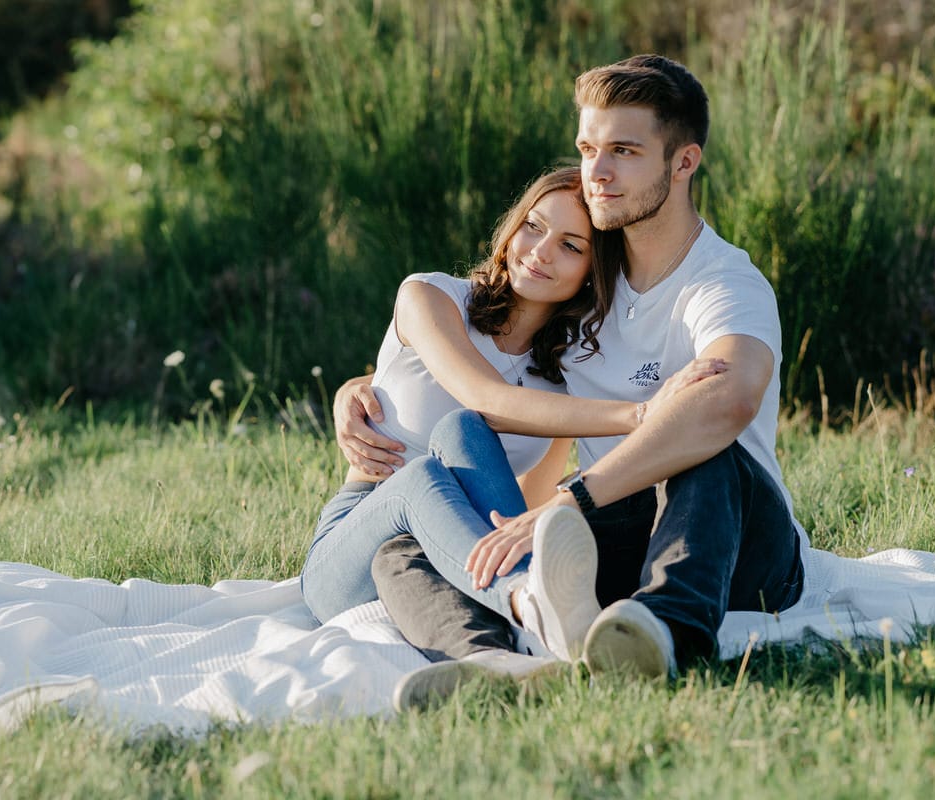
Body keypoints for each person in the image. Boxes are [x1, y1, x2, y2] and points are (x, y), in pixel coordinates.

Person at [335, 54, 808, 706]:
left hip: (736, 550)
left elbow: (728, 401)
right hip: (614, 528)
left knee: (698, 443)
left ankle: (667, 635)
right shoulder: (584, 297)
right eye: (589, 148)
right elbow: (480, 376)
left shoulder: (722, 283)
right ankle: (500, 665)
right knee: (403, 551)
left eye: (624, 151)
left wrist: (572, 500)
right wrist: (359, 386)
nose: (599, 172)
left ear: (683, 162)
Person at [300, 165, 724, 638]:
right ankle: (529, 600)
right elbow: (485, 397)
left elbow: (519, 507)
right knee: (429, 465)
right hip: (354, 548)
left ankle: (525, 608)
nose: (540, 252)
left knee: (462, 431)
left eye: (570, 246)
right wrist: (641, 414)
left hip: (451, 557)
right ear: (513, 226)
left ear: (595, 270)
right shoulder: (430, 297)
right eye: (533, 227)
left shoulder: (565, 382)